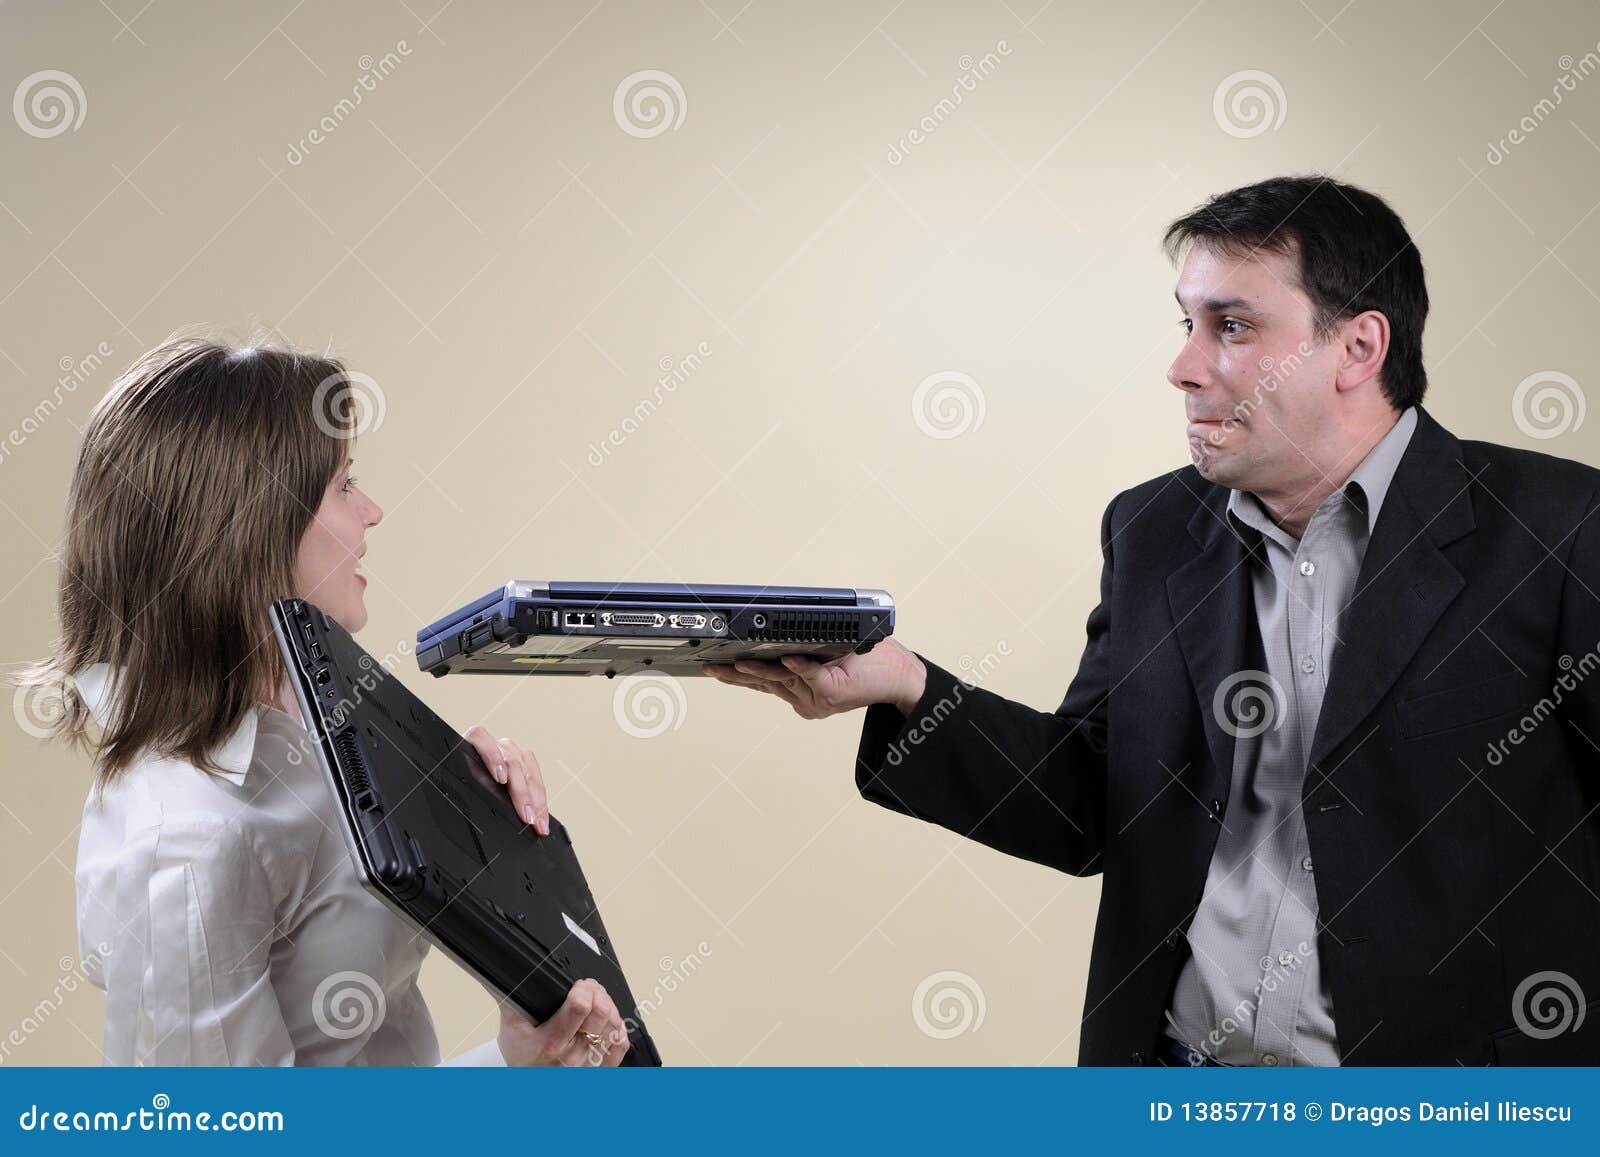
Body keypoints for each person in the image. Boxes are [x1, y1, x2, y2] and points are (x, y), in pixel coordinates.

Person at [709, 175, 1600, 1067]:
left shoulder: (1557, 531)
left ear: (1358, 347)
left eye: (1233, 326)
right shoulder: (1154, 529)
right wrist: (909, 688)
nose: (1184, 366)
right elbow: (1093, 800)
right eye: (1188, 324)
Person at [21, 335, 630, 1066]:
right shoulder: (185, 837)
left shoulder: (317, 726)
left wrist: (467, 825)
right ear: (248, 527)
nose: (372, 512)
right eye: (344, 486)